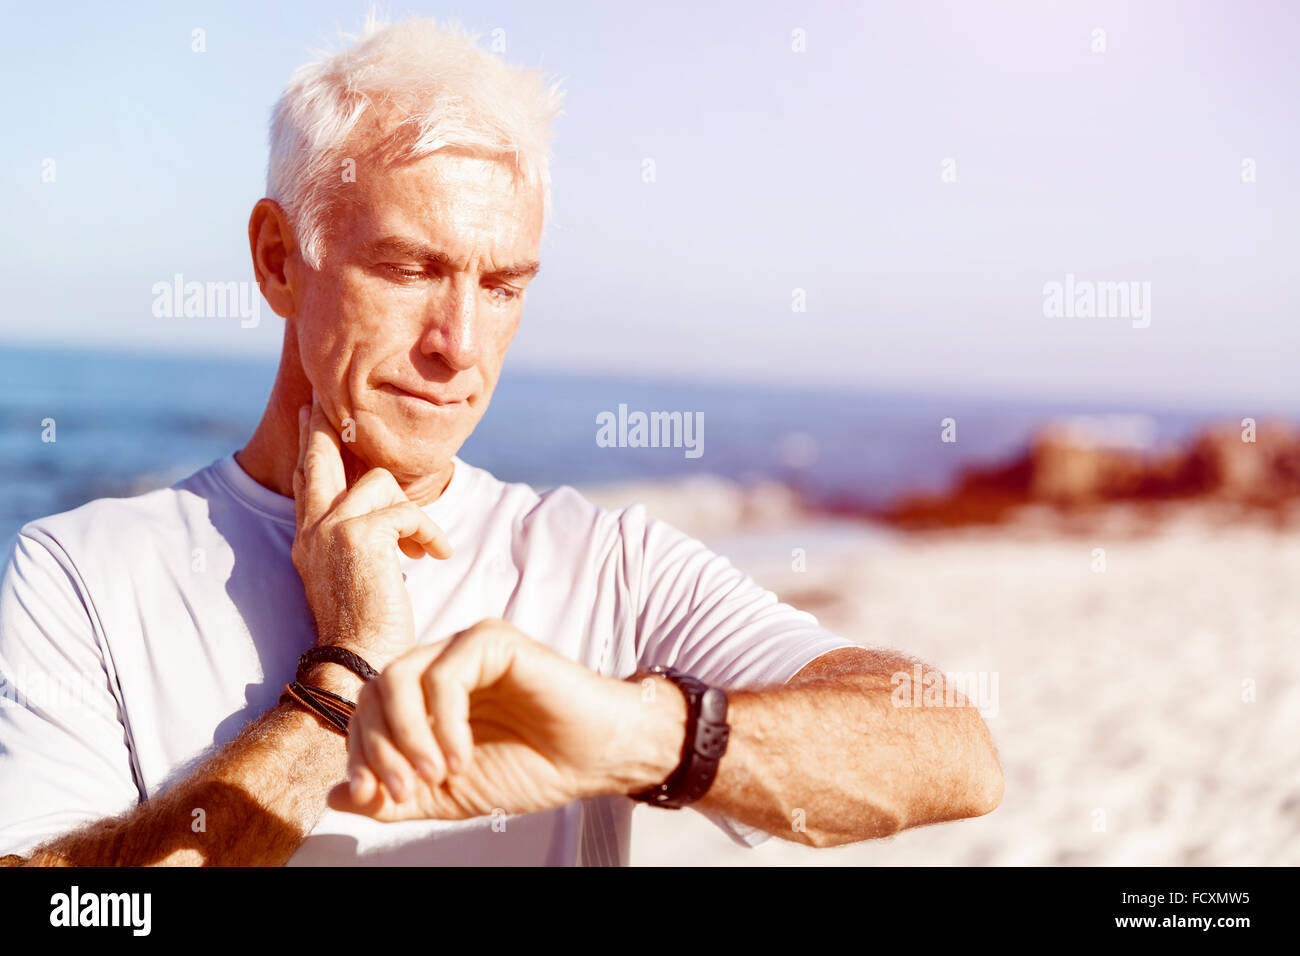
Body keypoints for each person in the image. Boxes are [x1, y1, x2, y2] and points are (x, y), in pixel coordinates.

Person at [0, 16, 1002, 866]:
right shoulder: (84, 573)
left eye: (503, 285)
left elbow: (950, 749)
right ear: (277, 259)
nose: (459, 344)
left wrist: (632, 732)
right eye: (407, 267)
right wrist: (338, 675)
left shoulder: (602, 563)